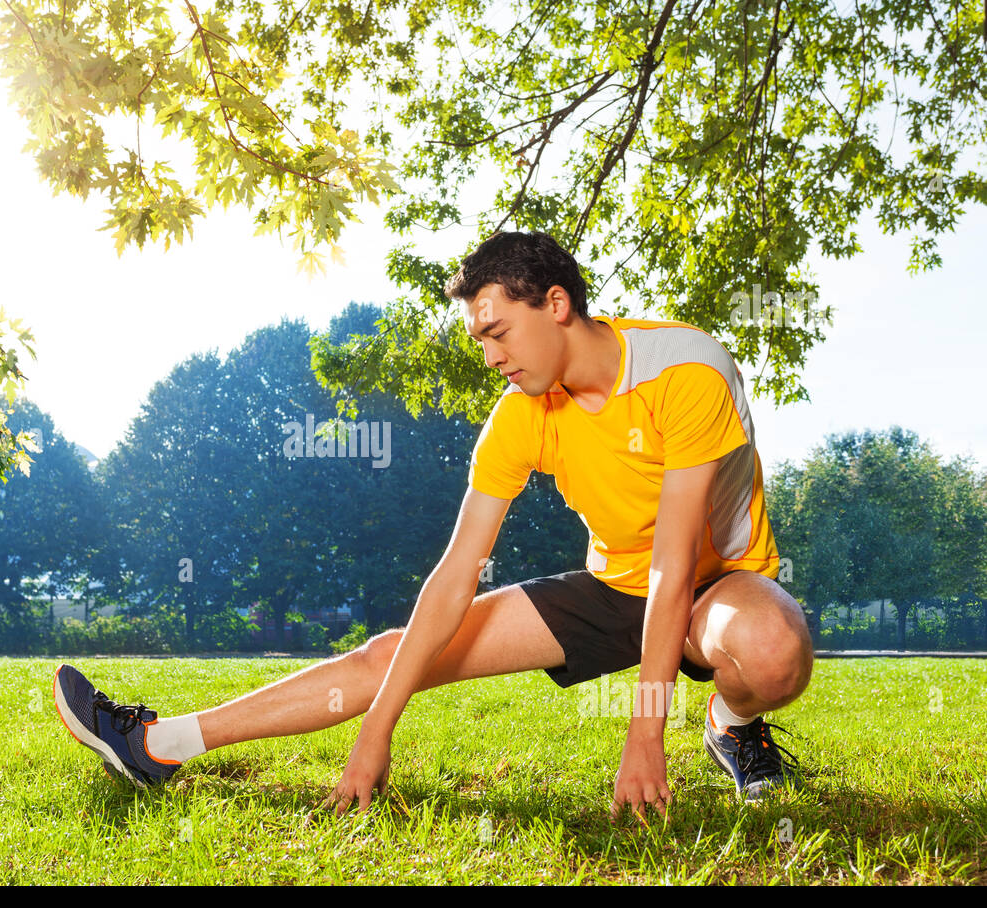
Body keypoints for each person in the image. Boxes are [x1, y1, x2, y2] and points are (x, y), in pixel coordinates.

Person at [52, 230, 813, 820]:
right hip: (617, 584)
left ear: (554, 303)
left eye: (497, 331)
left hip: (715, 584)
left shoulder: (686, 370)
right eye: (479, 340)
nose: (489, 356)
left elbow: (675, 569)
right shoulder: (519, 416)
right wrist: (380, 727)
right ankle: (157, 746)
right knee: (395, 653)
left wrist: (644, 734)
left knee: (773, 649)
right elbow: (453, 578)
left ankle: (731, 720)